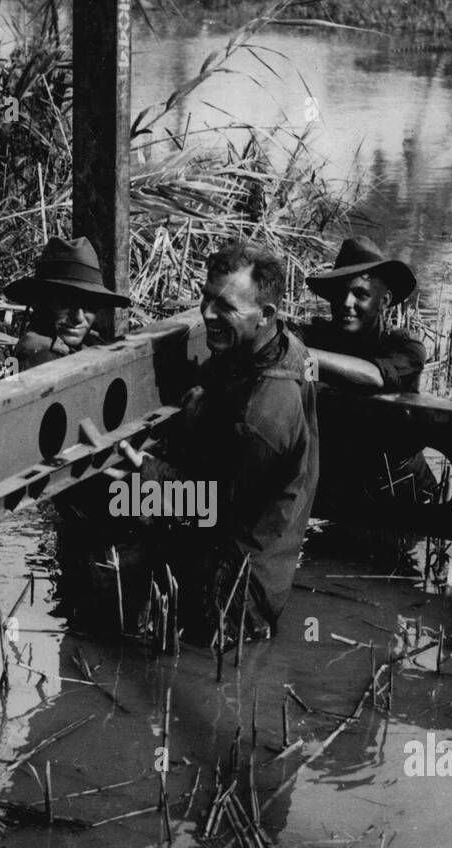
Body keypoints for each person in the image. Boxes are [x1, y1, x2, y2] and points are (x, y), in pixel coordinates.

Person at [113, 241, 319, 644]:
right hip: (243, 545)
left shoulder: (265, 414)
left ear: (266, 315)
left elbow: (215, 505)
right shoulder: (277, 345)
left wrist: (147, 472)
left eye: (225, 307)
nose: (207, 314)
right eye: (206, 299)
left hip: (235, 591)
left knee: (117, 503)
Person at [299, 236, 438, 506]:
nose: (346, 303)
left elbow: (374, 376)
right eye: (339, 294)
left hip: (403, 492)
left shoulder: (406, 348)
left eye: (361, 294)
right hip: (341, 486)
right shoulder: (315, 337)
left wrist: (302, 357)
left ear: (384, 301)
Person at [3, 236, 130, 371]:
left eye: (89, 306)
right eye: (66, 304)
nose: (79, 318)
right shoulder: (41, 357)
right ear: (40, 303)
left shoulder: (82, 343)